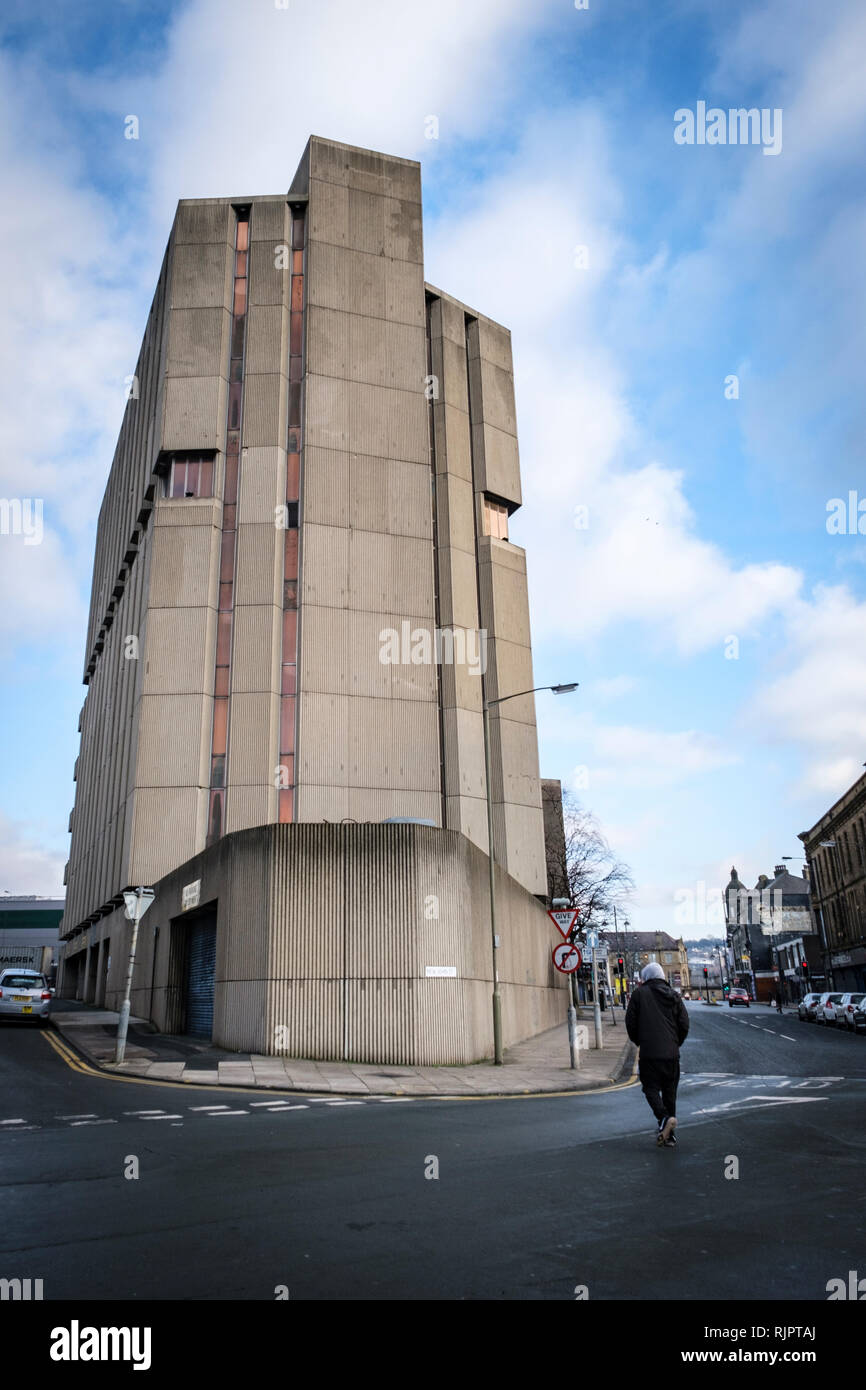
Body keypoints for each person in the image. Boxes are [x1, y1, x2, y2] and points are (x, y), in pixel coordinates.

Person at [626, 962, 689, 1147]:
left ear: (646, 978)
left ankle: (663, 1119)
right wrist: (675, 1042)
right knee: (670, 1094)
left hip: (649, 1053)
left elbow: (630, 1022)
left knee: (650, 1089)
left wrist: (640, 1041)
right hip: (671, 1055)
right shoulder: (674, 996)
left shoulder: (639, 994)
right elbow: (684, 1023)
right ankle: (670, 1136)